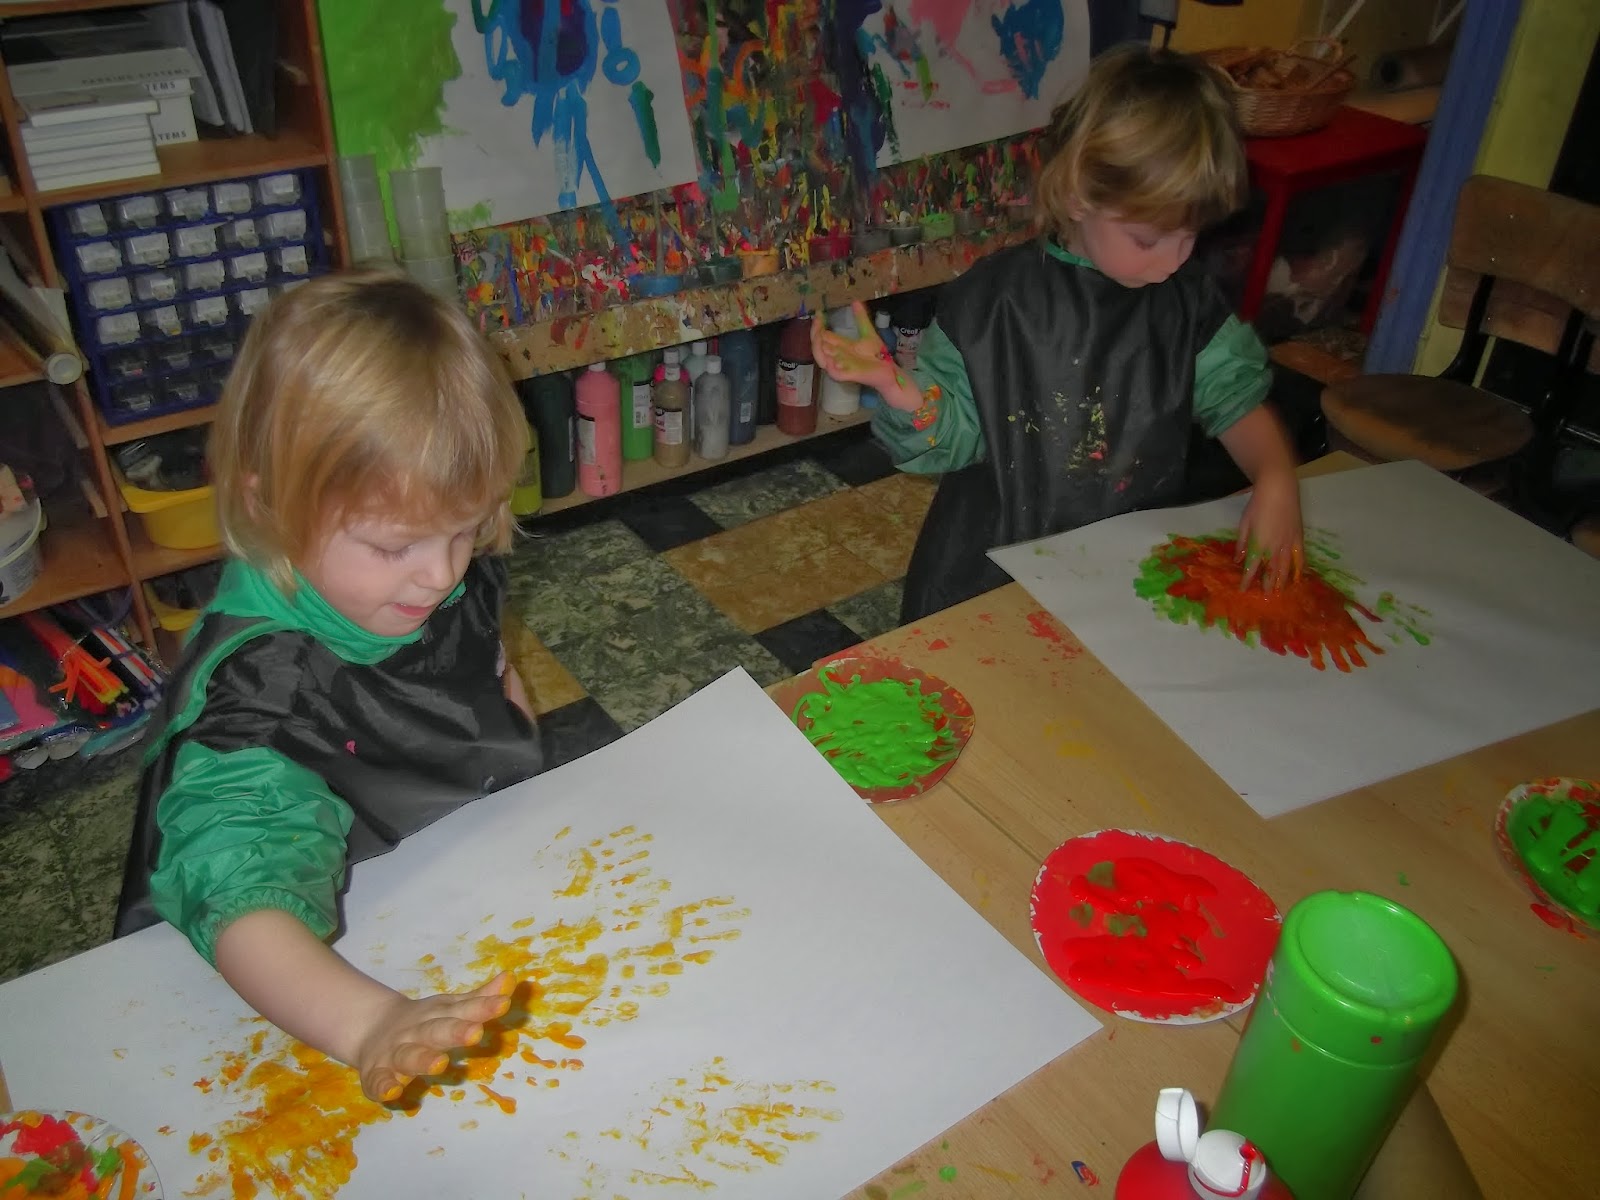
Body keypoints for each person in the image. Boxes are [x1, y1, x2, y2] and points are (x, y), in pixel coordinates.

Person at [115, 272, 545, 1104]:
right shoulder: (261, 694)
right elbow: (242, 897)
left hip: (459, 878)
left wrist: (514, 751)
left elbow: (479, 665)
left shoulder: (436, 560)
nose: (443, 571)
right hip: (292, 985)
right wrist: (368, 1023)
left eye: (469, 526)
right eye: (396, 546)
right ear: (270, 502)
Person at [814, 44, 1304, 622]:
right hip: (988, 576)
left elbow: (1236, 401)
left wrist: (1275, 477)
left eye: (1191, 237)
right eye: (1149, 240)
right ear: (1078, 193)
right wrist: (902, 390)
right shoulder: (993, 303)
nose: (1173, 261)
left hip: (1121, 569)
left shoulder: (1183, 301)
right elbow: (951, 434)